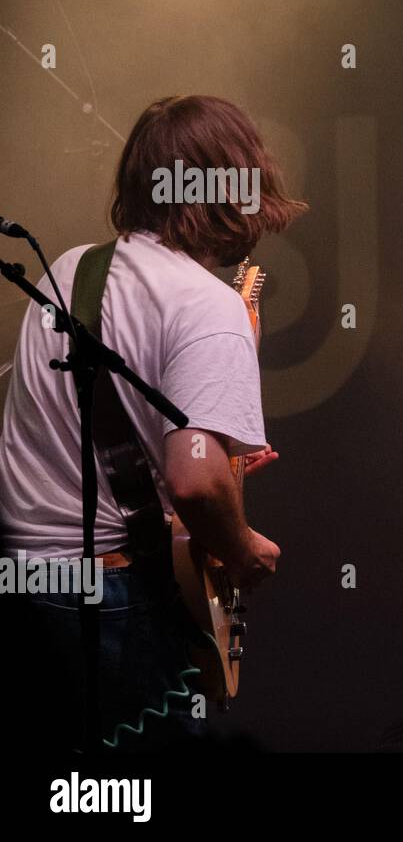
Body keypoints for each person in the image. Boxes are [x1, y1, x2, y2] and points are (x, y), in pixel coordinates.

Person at [0, 95, 306, 750]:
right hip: (112, 596)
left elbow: (75, 438)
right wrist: (243, 549)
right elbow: (195, 483)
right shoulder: (208, 305)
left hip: (26, 584)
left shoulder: (67, 269)